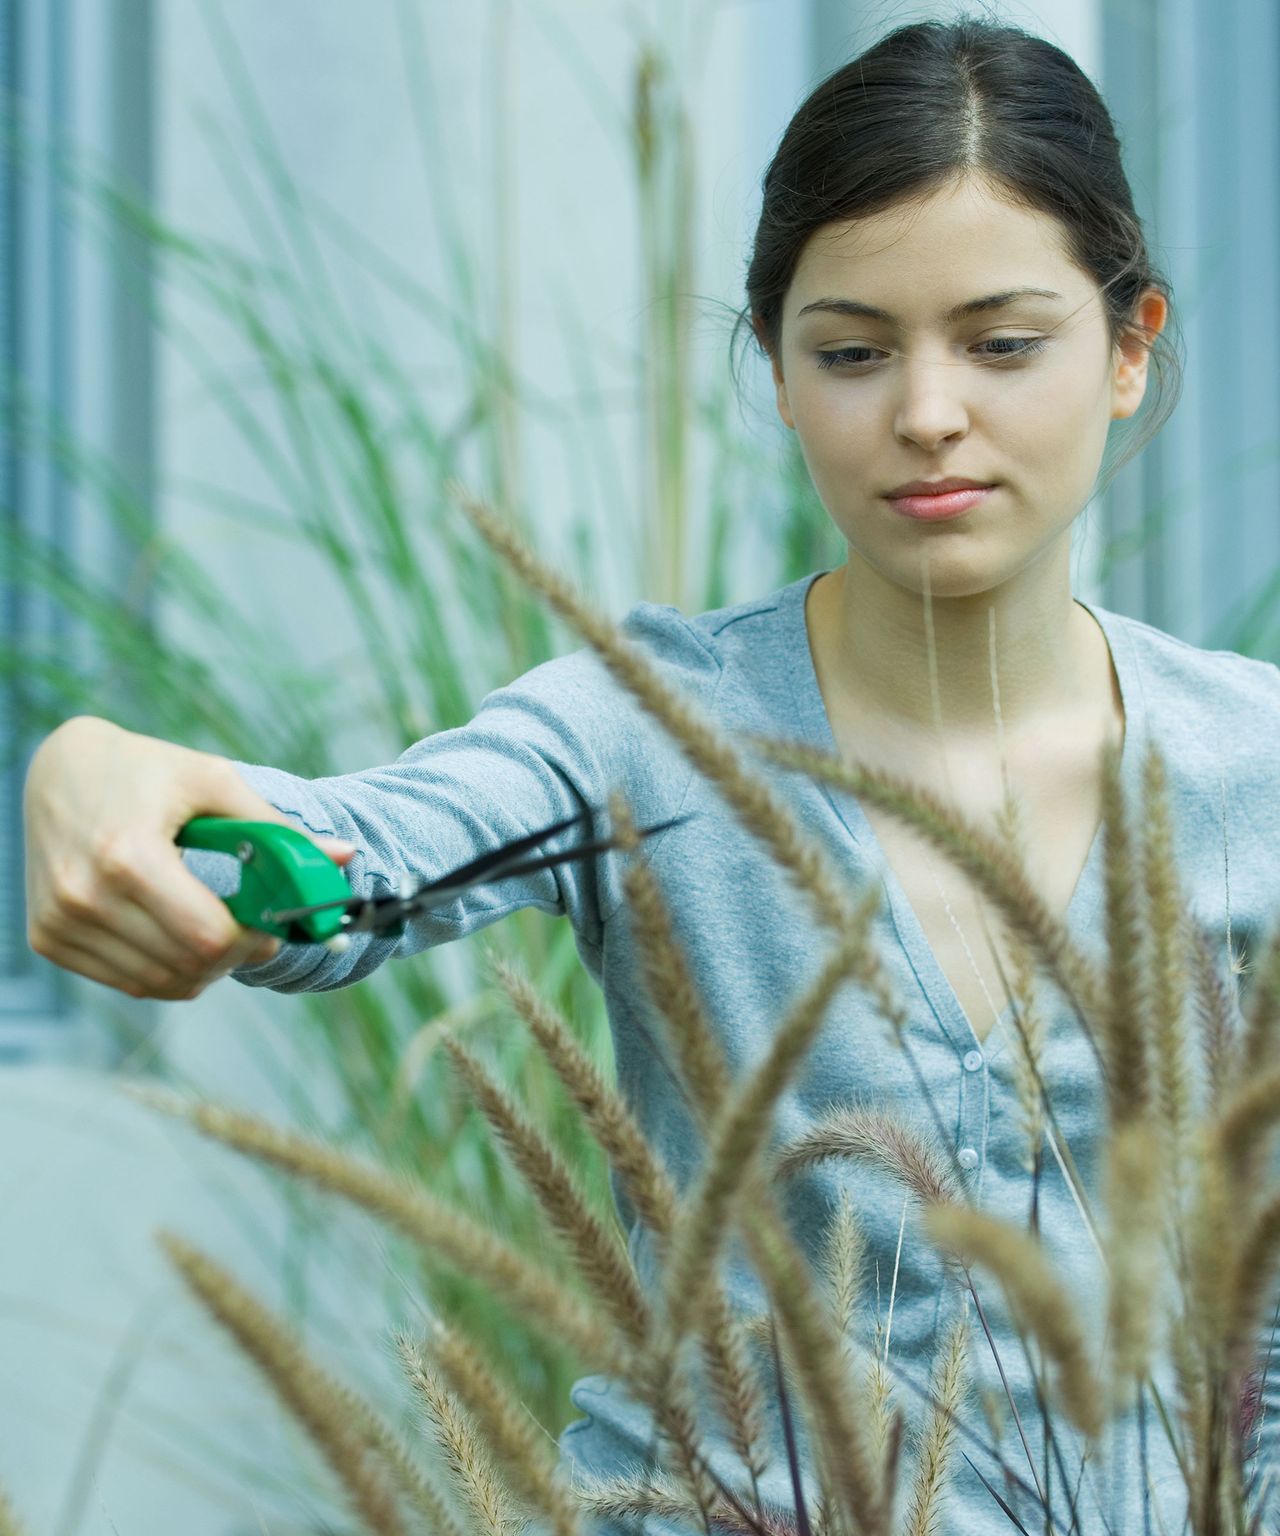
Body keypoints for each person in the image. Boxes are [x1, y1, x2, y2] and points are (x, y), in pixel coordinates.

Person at [22, 13, 1280, 1534]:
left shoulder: (1255, 770)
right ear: (777, 368)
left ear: (1132, 346)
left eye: (1003, 344)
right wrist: (92, 768)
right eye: (851, 351)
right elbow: (354, 874)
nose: (927, 413)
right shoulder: (640, 727)